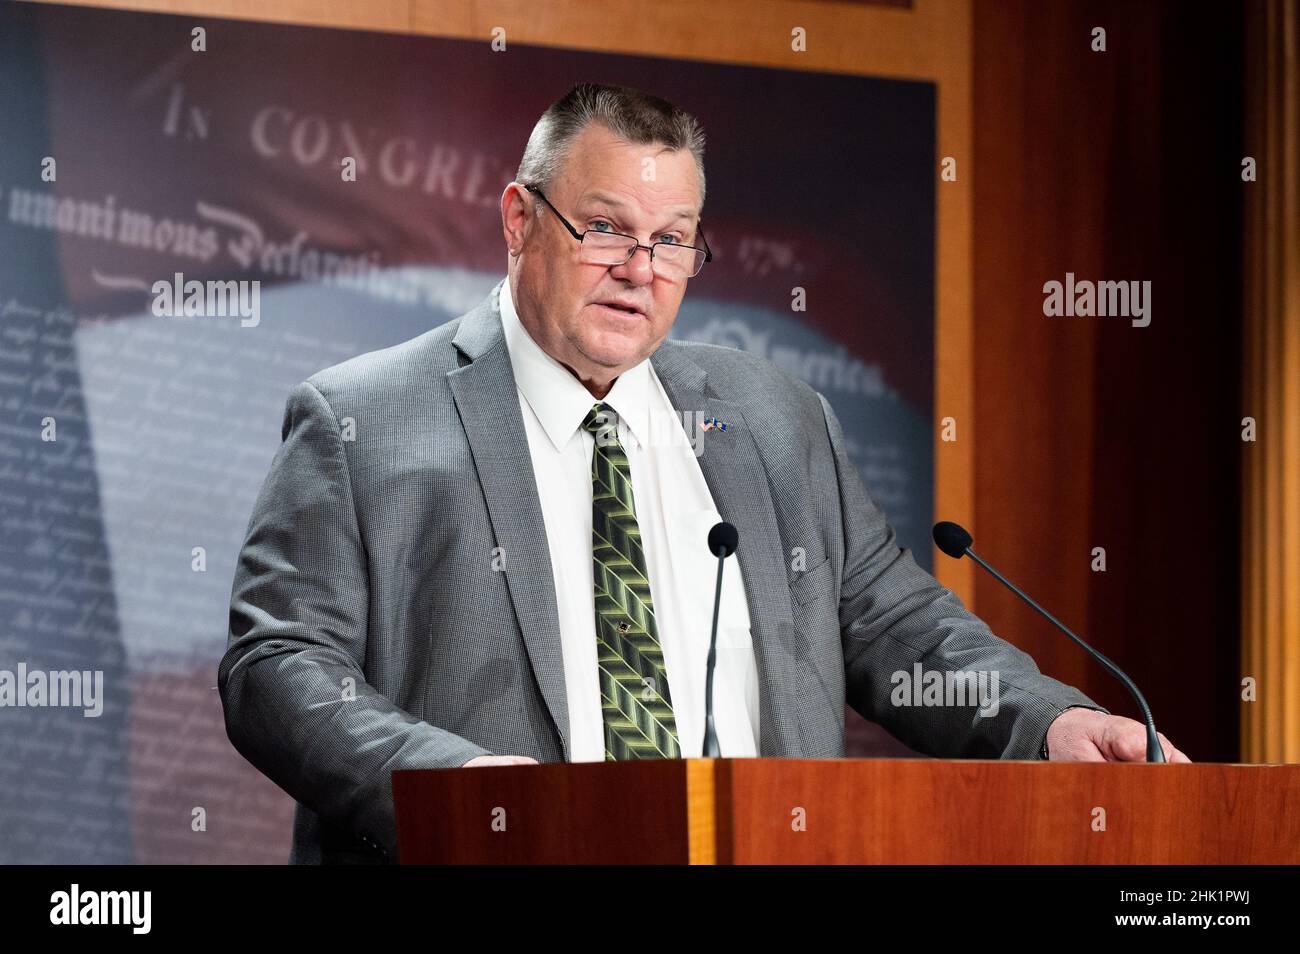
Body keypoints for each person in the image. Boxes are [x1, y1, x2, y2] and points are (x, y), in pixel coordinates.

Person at [220, 82, 1188, 865]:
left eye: (672, 238)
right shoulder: (364, 417)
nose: (640, 269)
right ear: (519, 219)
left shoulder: (771, 415)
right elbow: (279, 668)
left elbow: (892, 623)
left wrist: (1046, 722)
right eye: (604, 228)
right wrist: (464, 792)